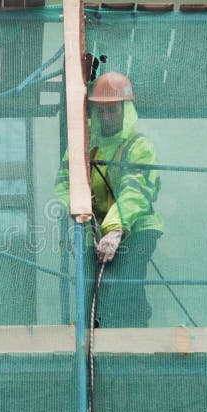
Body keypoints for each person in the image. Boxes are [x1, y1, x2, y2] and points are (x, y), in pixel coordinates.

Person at [55, 72, 163, 328]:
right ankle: (100, 338)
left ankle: (132, 340)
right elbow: (64, 184)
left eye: (112, 110)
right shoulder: (83, 145)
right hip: (97, 228)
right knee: (94, 291)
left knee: (123, 289)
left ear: (126, 109)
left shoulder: (139, 146)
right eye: (100, 110)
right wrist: (76, 210)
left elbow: (134, 192)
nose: (105, 117)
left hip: (136, 229)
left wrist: (115, 230)